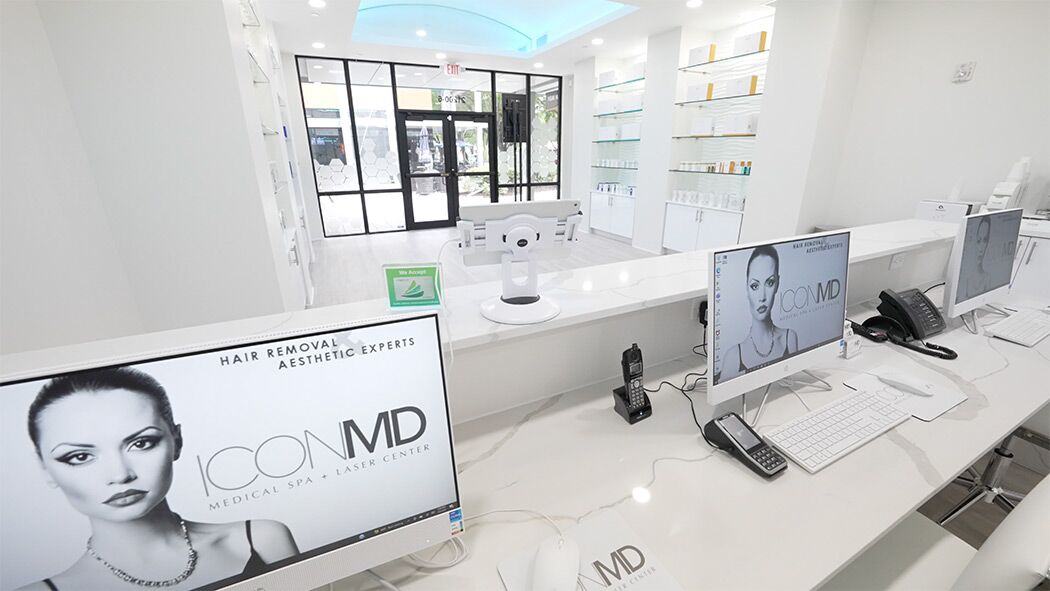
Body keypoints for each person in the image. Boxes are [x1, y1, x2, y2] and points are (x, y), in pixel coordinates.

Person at [18, 368, 298, 591]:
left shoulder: (262, 539)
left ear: (177, 440)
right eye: (79, 457)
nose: (120, 475)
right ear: (44, 469)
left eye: (141, 443)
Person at [720, 245, 798, 380]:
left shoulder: (789, 338)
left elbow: (791, 384)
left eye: (770, 283)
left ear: (778, 284)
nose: (762, 296)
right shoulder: (733, 357)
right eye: (755, 286)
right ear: (747, 288)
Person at [962, 216, 993, 300]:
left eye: (985, 240)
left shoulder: (987, 278)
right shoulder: (965, 279)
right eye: (978, 240)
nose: (981, 248)